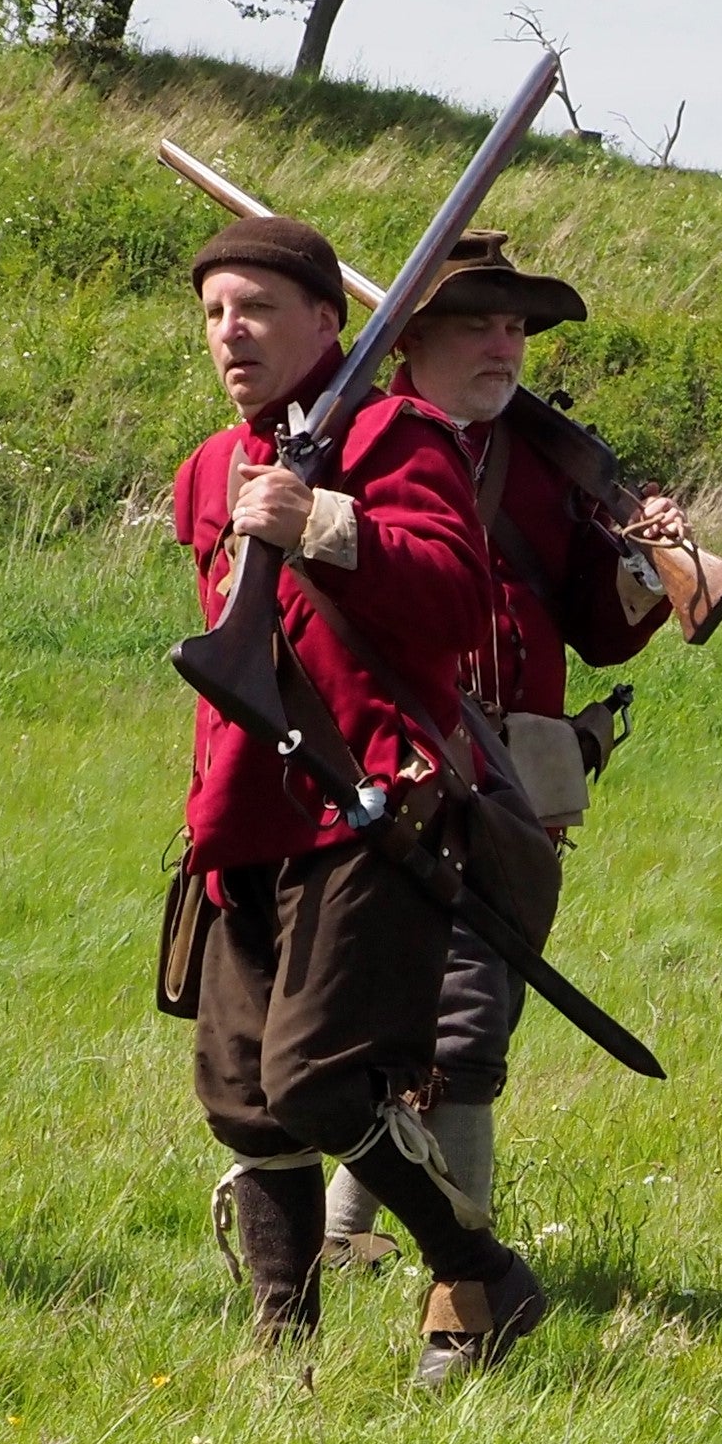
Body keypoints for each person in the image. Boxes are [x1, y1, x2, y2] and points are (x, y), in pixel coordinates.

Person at [316, 229, 678, 1380]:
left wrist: (649, 558)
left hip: (507, 792)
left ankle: (458, 1311)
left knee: (467, 1036)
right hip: (374, 778)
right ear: (407, 338)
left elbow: (603, 625)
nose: (505, 341)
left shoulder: (539, 464)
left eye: (517, 324)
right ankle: (338, 1238)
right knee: (358, 1035)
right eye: (479, 320)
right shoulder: (350, 444)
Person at [162, 214, 528, 1349]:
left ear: (328, 322)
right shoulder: (211, 468)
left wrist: (327, 522)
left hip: (368, 805)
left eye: (258, 310)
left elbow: (459, 604)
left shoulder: (395, 435)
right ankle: (284, 1346)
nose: (233, 334)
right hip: (244, 811)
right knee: (240, 1095)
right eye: (217, 314)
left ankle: (478, 1270)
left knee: (319, 1082)